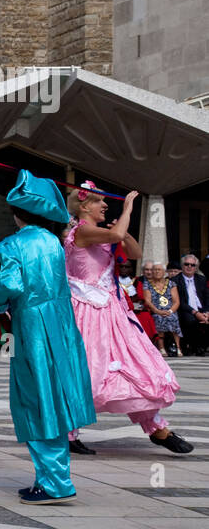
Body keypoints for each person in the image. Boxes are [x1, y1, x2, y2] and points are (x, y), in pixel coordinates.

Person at [0, 171, 97, 503]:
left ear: (18, 213)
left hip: (33, 328)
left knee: (34, 398)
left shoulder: (13, 243)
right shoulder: (53, 243)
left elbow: (13, 286)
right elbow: (30, 281)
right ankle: (51, 477)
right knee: (54, 397)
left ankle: (54, 482)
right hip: (61, 325)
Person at [64, 184, 191, 455]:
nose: (105, 206)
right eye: (100, 202)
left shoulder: (103, 234)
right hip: (87, 312)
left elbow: (133, 253)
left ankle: (157, 428)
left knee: (137, 366)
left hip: (112, 311)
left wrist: (123, 233)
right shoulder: (82, 231)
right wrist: (129, 207)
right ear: (85, 207)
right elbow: (116, 233)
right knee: (87, 370)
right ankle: (69, 433)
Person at [141, 263, 182, 357]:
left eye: (159, 270)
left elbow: (176, 301)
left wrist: (170, 311)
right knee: (158, 318)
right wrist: (157, 311)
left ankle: (177, 347)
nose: (157, 271)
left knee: (173, 318)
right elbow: (148, 301)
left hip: (169, 310)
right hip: (155, 310)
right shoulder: (147, 284)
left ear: (164, 272)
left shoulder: (171, 284)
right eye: (155, 270)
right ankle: (161, 348)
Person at [173, 254, 208, 355]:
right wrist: (195, 313)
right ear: (182, 266)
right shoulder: (175, 280)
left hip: (201, 309)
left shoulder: (201, 279)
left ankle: (203, 346)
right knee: (190, 320)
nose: (189, 267)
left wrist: (207, 312)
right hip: (185, 309)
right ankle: (195, 347)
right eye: (186, 264)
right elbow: (180, 301)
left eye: (192, 265)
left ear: (196, 267)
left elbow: (207, 297)